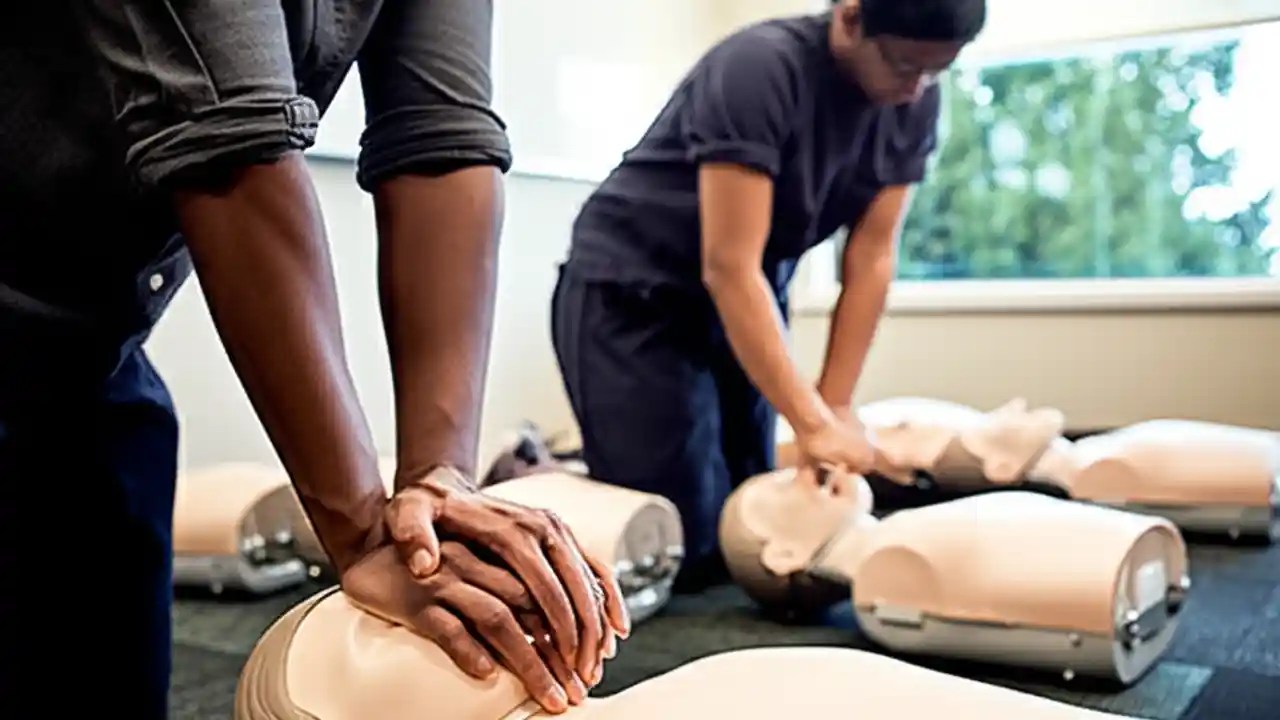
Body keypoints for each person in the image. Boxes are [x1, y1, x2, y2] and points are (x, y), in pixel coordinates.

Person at [0, 3, 623, 717]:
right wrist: (362, 535)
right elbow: (231, 130)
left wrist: (439, 486)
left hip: (91, 347)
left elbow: (441, 142)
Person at [550, 0, 987, 589]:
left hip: (744, 298)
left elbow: (871, 258)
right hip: (635, 293)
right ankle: (536, 471)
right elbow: (729, 265)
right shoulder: (760, 67)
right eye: (905, 66)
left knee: (746, 509)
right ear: (851, 18)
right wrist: (809, 423)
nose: (916, 91)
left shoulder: (915, 100)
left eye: (935, 73)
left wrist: (832, 412)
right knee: (687, 542)